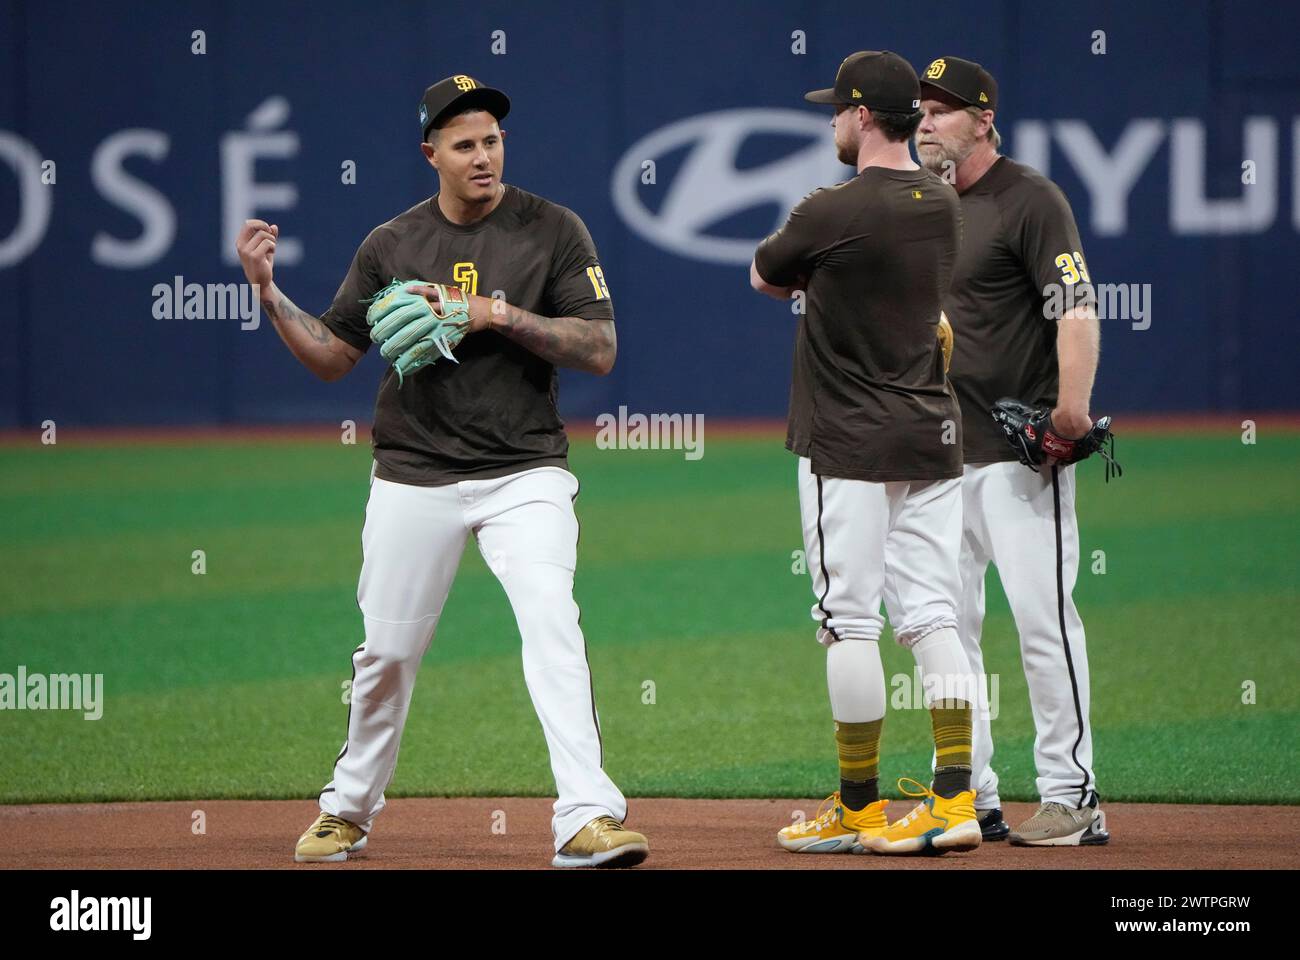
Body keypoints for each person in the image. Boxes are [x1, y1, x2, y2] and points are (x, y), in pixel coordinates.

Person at [234, 73, 648, 868]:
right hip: (413, 474)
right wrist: (267, 292)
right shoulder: (391, 244)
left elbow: (599, 349)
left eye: (493, 139)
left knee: (551, 623)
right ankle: (348, 809)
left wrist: (493, 312)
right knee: (386, 654)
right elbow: (332, 356)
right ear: (432, 154)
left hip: (525, 471)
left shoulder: (552, 230)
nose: (484, 155)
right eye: (465, 144)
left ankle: (587, 817)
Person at [750, 51, 981, 856]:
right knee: (931, 616)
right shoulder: (942, 202)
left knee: (850, 622)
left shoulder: (830, 207)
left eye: (837, 111)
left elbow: (764, 276)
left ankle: (858, 805)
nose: (832, 124)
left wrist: (812, 275)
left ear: (861, 117)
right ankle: (954, 799)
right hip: (932, 431)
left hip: (848, 439)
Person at [915, 55, 1109, 846]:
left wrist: (1071, 412)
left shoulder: (1029, 200)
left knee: (1041, 620)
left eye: (944, 109)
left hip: (1021, 455)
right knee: (947, 627)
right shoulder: (920, 205)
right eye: (921, 110)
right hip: (935, 457)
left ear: (984, 120)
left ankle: (1072, 795)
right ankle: (974, 795)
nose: (926, 121)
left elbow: (1075, 307)